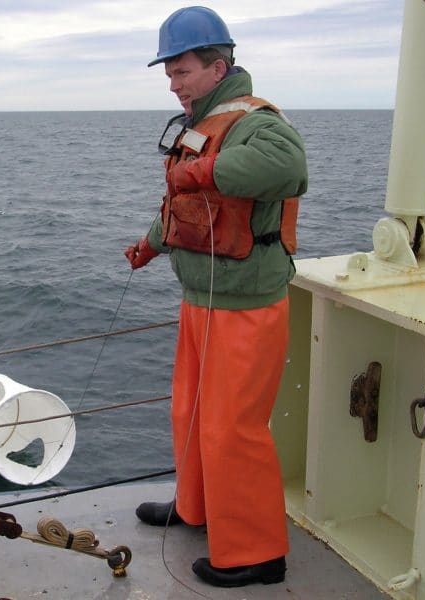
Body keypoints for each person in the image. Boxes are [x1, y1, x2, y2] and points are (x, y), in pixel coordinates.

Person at [124, 6, 308, 589]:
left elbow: (289, 167)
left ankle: (257, 553)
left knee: (235, 429)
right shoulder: (200, 126)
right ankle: (195, 507)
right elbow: (185, 211)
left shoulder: (258, 123)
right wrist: (150, 244)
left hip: (246, 308)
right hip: (201, 300)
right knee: (193, 412)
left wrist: (204, 173)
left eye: (180, 72)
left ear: (217, 66)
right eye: (170, 75)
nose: (173, 84)